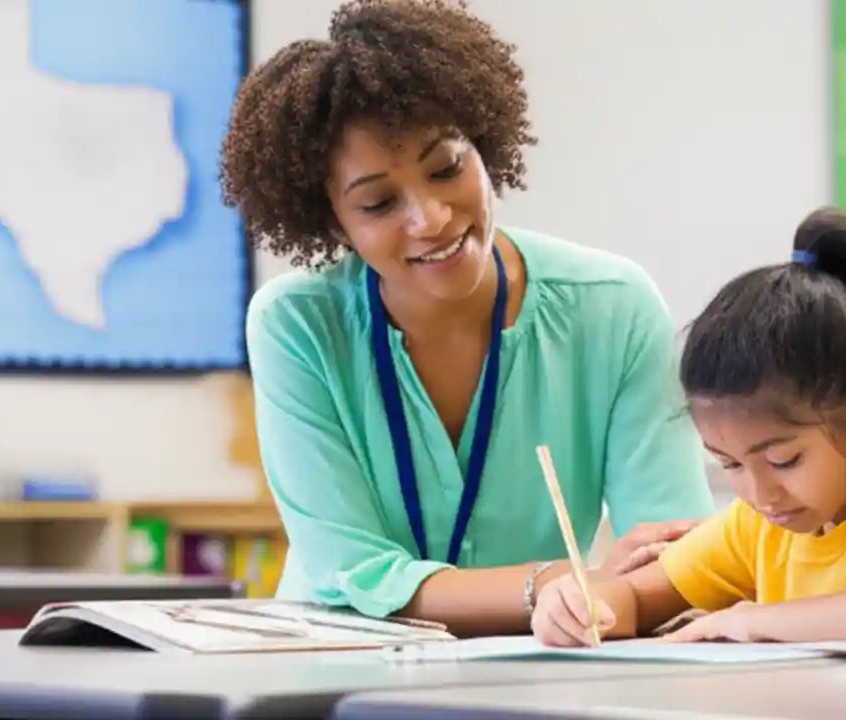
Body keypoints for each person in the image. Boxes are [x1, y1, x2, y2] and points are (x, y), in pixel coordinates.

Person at [218, 0, 715, 636]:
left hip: (547, 665)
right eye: (379, 203)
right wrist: (558, 584)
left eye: (447, 169)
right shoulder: (297, 327)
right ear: (332, 221)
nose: (429, 218)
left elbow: (674, 555)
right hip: (339, 667)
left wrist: (614, 590)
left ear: (482, 144)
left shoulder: (613, 307)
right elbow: (351, 573)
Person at [531, 207, 846, 645]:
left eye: (784, 460)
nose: (759, 493)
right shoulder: (762, 522)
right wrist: (576, 606)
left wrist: (755, 621)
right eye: (729, 465)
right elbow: (633, 599)